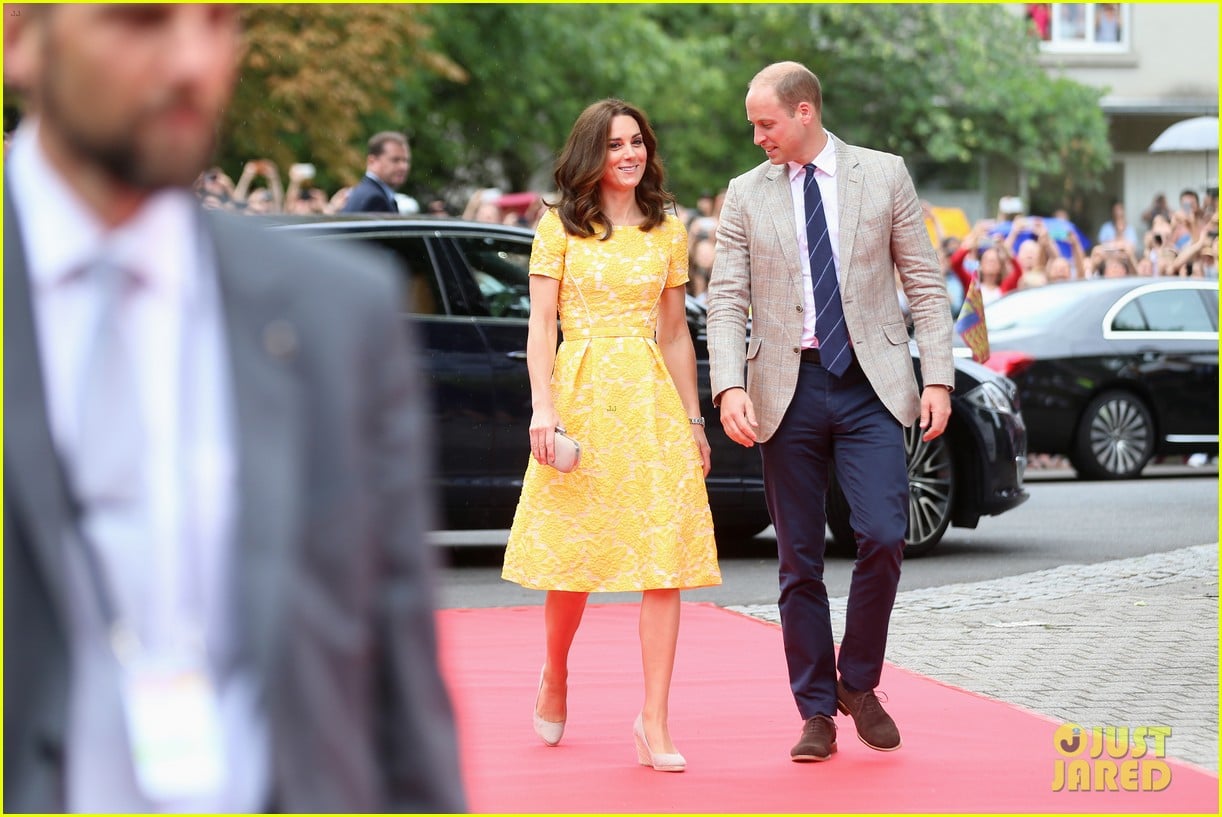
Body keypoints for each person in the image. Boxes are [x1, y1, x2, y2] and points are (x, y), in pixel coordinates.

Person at [2, 6, 464, 812]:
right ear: (20, 41)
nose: (192, 62)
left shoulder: (336, 314)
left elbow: (399, 697)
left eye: (218, 21)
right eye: (142, 20)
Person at [706, 61, 953, 763]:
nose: (757, 137)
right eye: (754, 125)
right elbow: (725, 299)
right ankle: (816, 709)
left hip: (872, 384)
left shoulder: (885, 174)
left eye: (766, 124)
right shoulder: (745, 193)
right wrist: (728, 387)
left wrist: (938, 378)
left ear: (805, 111)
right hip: (786, 388)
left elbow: (925, 284)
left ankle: (859, 680)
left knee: (884, 534)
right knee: (798, 562)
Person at [500, 98, 721, 773]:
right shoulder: (559, 226)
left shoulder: (667, 228)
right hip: (582, 395)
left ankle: (653, 720)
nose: (630, 154)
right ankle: (555, 670)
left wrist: (694, 419)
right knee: (574, 556)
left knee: (664, 559)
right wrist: (543, 408)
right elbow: (541, 326)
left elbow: (676, 332)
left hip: (651, 402)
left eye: (638, 142)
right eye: (616, 143)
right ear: (592, 153)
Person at [341, 131, 411, 213]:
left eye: (406, 161)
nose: (403, 167)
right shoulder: (375, 200)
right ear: (372, 161)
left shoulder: (362, 192)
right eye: (395, 160)